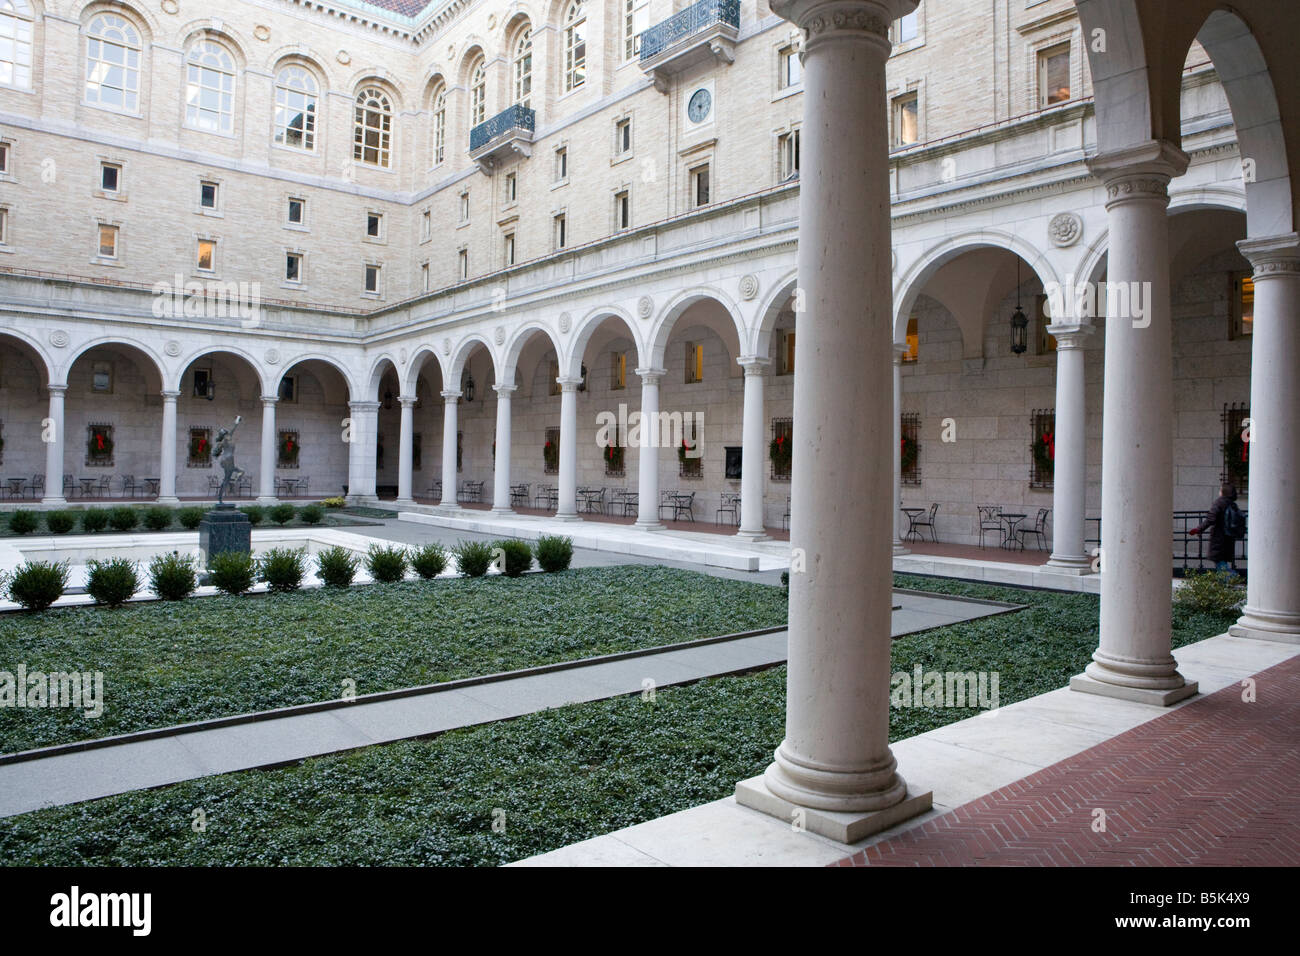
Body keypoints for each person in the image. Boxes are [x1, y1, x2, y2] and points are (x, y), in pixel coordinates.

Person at [1188, 482, 1239, 572]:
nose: (1219, 492)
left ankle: (1233, 577)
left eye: (1220, 490)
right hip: (1229, 539)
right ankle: (1228, 579)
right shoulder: (1232, 504)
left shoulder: (1219, 503)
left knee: (1221, 565)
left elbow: (1211, 519)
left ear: (1223, 492)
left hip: (1219, 539)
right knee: (1222, 563)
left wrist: (1198, 529)